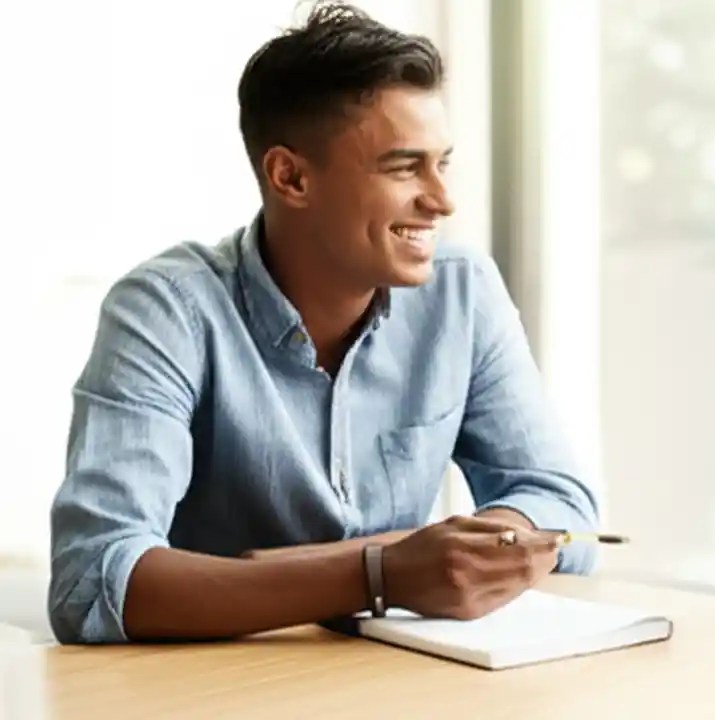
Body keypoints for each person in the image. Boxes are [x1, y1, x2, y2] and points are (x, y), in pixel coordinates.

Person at [48, 1, 597, 644]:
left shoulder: (462, 291)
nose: (443, 199)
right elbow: (93, 580)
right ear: (291, 177)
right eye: (403, 167)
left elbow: (563, 508)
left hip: (397, 681)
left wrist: (441, 556)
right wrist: (378, 571)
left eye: (442, 163)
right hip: (211, 693)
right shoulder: (166, 309)